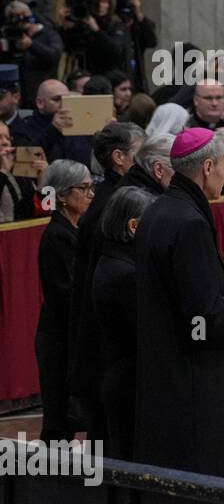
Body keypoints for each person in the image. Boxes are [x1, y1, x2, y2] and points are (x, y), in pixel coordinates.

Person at [133, 128, 224, 479]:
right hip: (193, 379)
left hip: (163, 369)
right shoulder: (189, 223)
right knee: (202, 477)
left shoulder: (159, 209)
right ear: (207, 166)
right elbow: (204, 315)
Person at [65, 121, 145, 438]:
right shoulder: (113, 205)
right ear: (119, 157)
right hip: (103, 342)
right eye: (140, 153)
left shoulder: (115, 197)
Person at [92, 185, 158, 459]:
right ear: (133, 225)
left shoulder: (112, 260)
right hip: (132, 383)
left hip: (122, 377)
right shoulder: (126, 274)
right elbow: (146, 331)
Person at [35, 159, 94, 441]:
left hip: (69, 336)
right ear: (62, 195)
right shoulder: (58, 237)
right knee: (59, 420)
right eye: (83, 188)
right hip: (60, 340)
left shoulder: (75, 230)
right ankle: (45, 481)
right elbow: (66, 294)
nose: (90, 194)